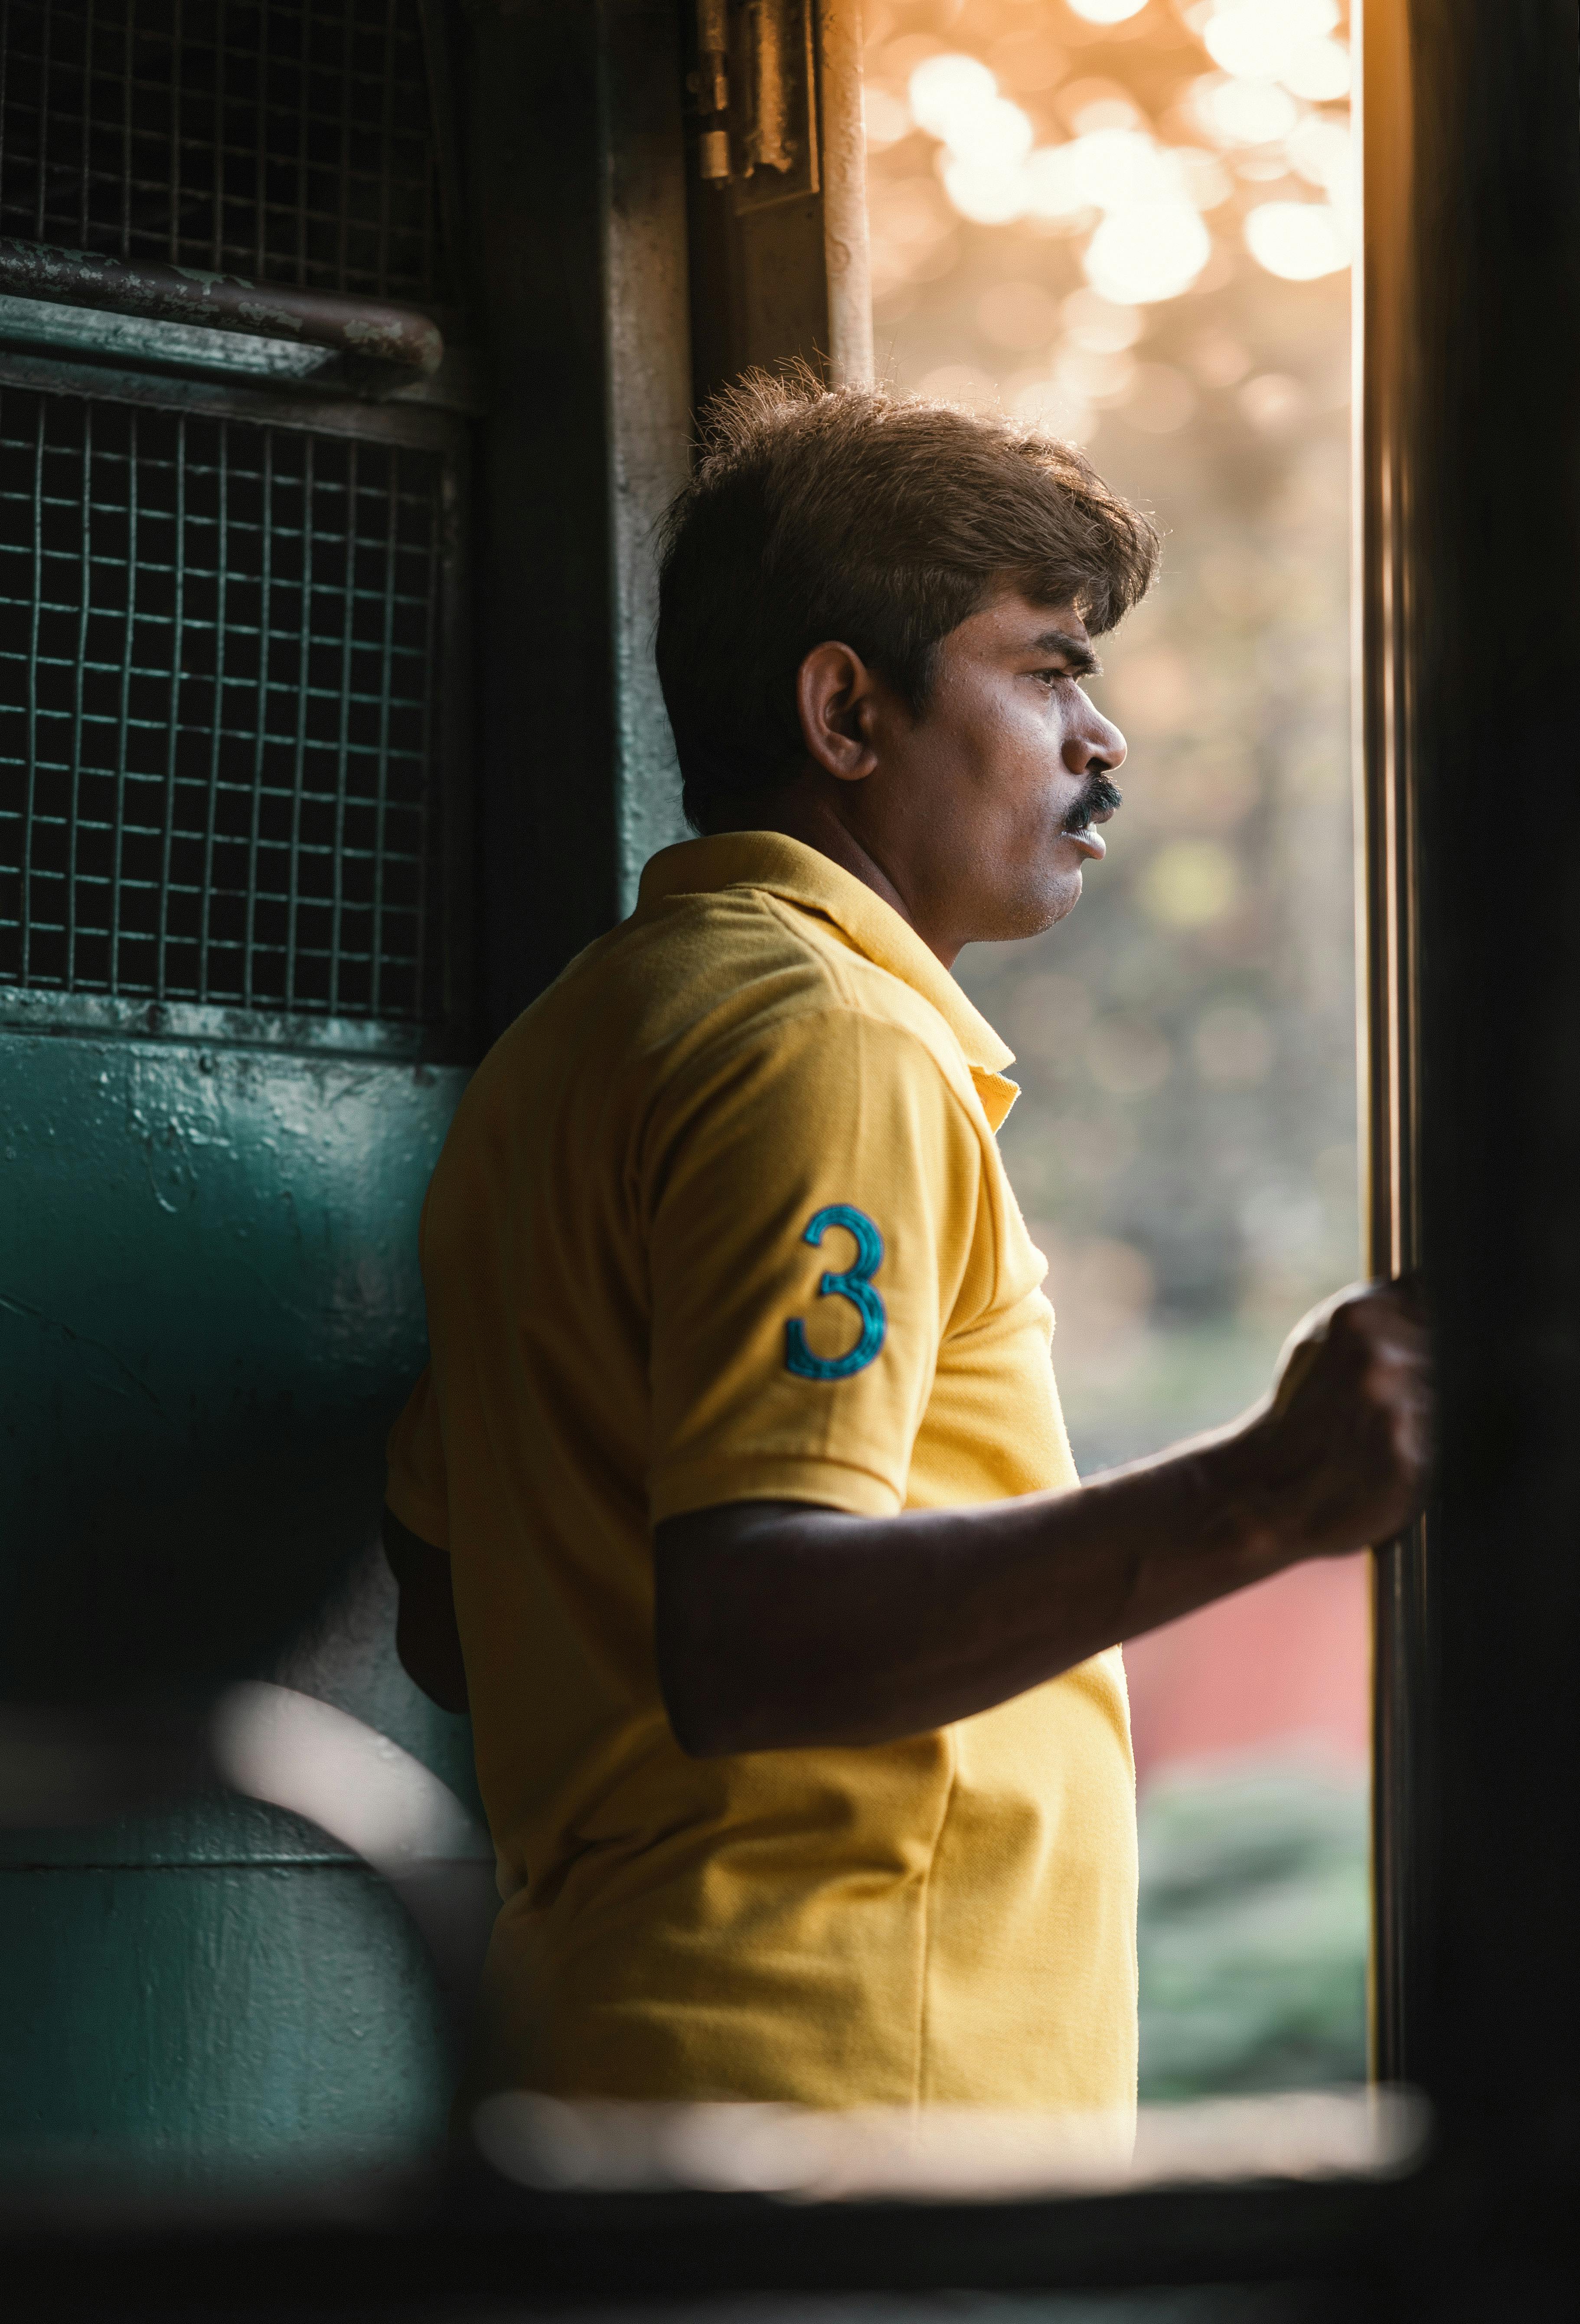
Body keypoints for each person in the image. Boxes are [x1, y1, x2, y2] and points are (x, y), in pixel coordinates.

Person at [383, 377, 1430, 2119]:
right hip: (844, 2092)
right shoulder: (830, 1042)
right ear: (845, 711)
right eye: (1042, 668)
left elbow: (448, 1607)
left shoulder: (580, 1041)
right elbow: (751, 1630)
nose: (1099, 741)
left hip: (625, 2067)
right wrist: (1267, 1491)